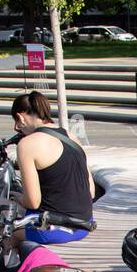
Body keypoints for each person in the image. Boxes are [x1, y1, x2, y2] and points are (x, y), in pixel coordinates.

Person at [10, 91, 94, 246]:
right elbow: (91, 191)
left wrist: (19, 198)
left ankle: (11, 267)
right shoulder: (71, 136)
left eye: (16, 122)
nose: (16, 128)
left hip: (54, 230)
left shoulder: (27, 144)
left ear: (21, 117)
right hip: (84, 224)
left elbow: (33, 202)